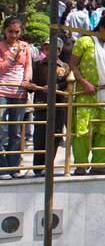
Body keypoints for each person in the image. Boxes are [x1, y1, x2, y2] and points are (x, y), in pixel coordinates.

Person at [69, 12, 105, 175]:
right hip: (86, 95)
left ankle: (100, 165)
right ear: (102, 28)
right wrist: (84, 83)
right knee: (82, 131)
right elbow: (73, 66)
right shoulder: (84, 42)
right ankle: (80, 165)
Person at [31, 40, 73, 176]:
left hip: (58, 106)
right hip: (41, 105)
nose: (49, 51)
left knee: (55, 136)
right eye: (47, 49)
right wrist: (31, 85)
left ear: (59, 51)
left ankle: (48, 165)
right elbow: (33, 83)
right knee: (39, 137)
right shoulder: (38, 65)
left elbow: (66, 84)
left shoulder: (65, 67)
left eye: (53, 49)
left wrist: (57, 87)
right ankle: (38, 167)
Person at [0, 17, 33, 174]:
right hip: (2, 91)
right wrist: (12, 57)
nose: (13, 35)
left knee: (16, 131)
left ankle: (13, 167)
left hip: (19, 92)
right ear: (4, 30)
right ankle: (2, 166)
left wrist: (26, 80)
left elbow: (28, 67)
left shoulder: (25, 46)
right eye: (10, 31)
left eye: (16, 32)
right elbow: (1, 68)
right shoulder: (0, 46)